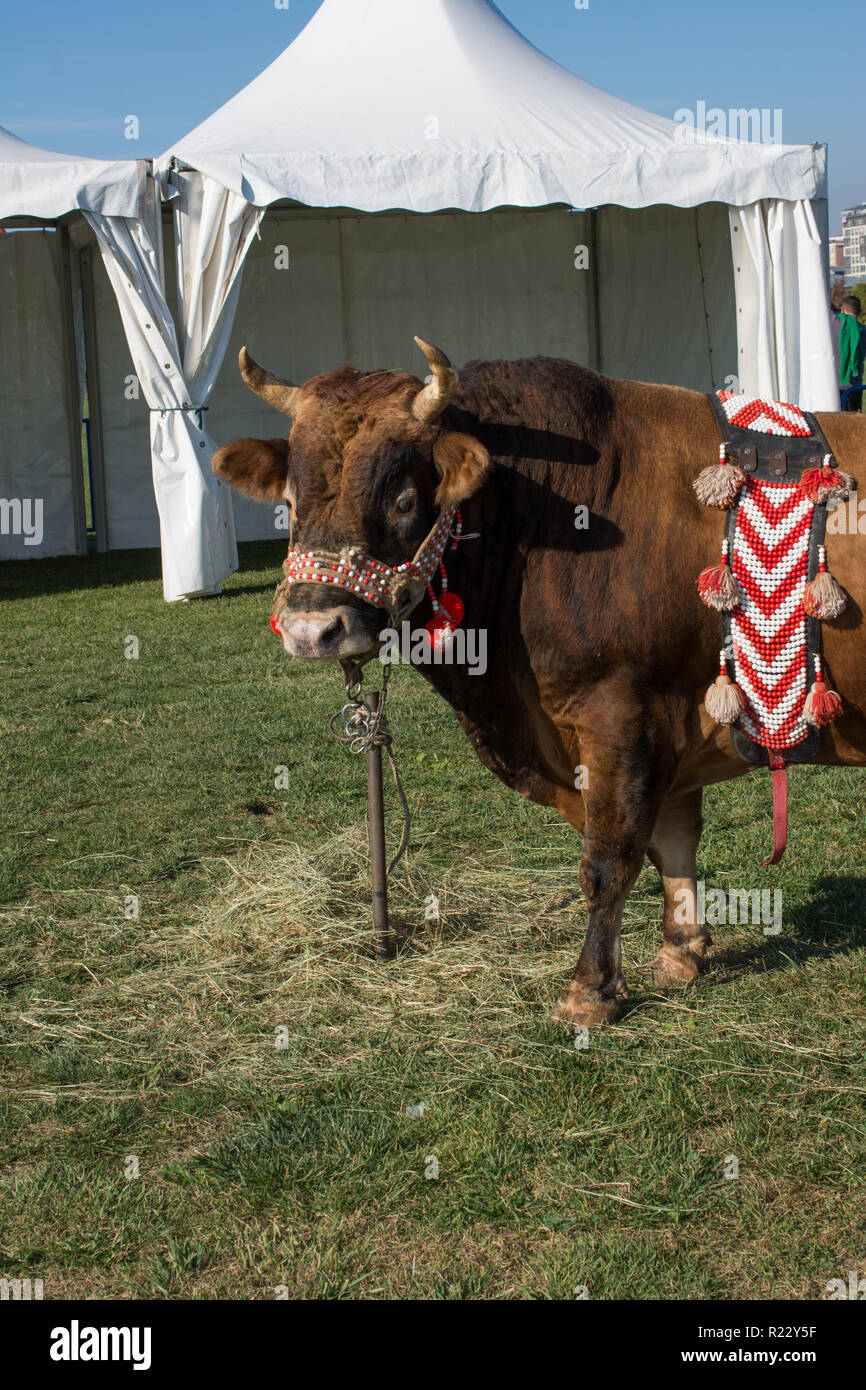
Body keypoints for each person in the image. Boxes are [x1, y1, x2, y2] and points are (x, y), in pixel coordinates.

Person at [837, 294, 864, 411]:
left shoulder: (836, 328)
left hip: (838, 383)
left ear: (843, 309)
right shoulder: (863, 330)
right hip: (856, 384)